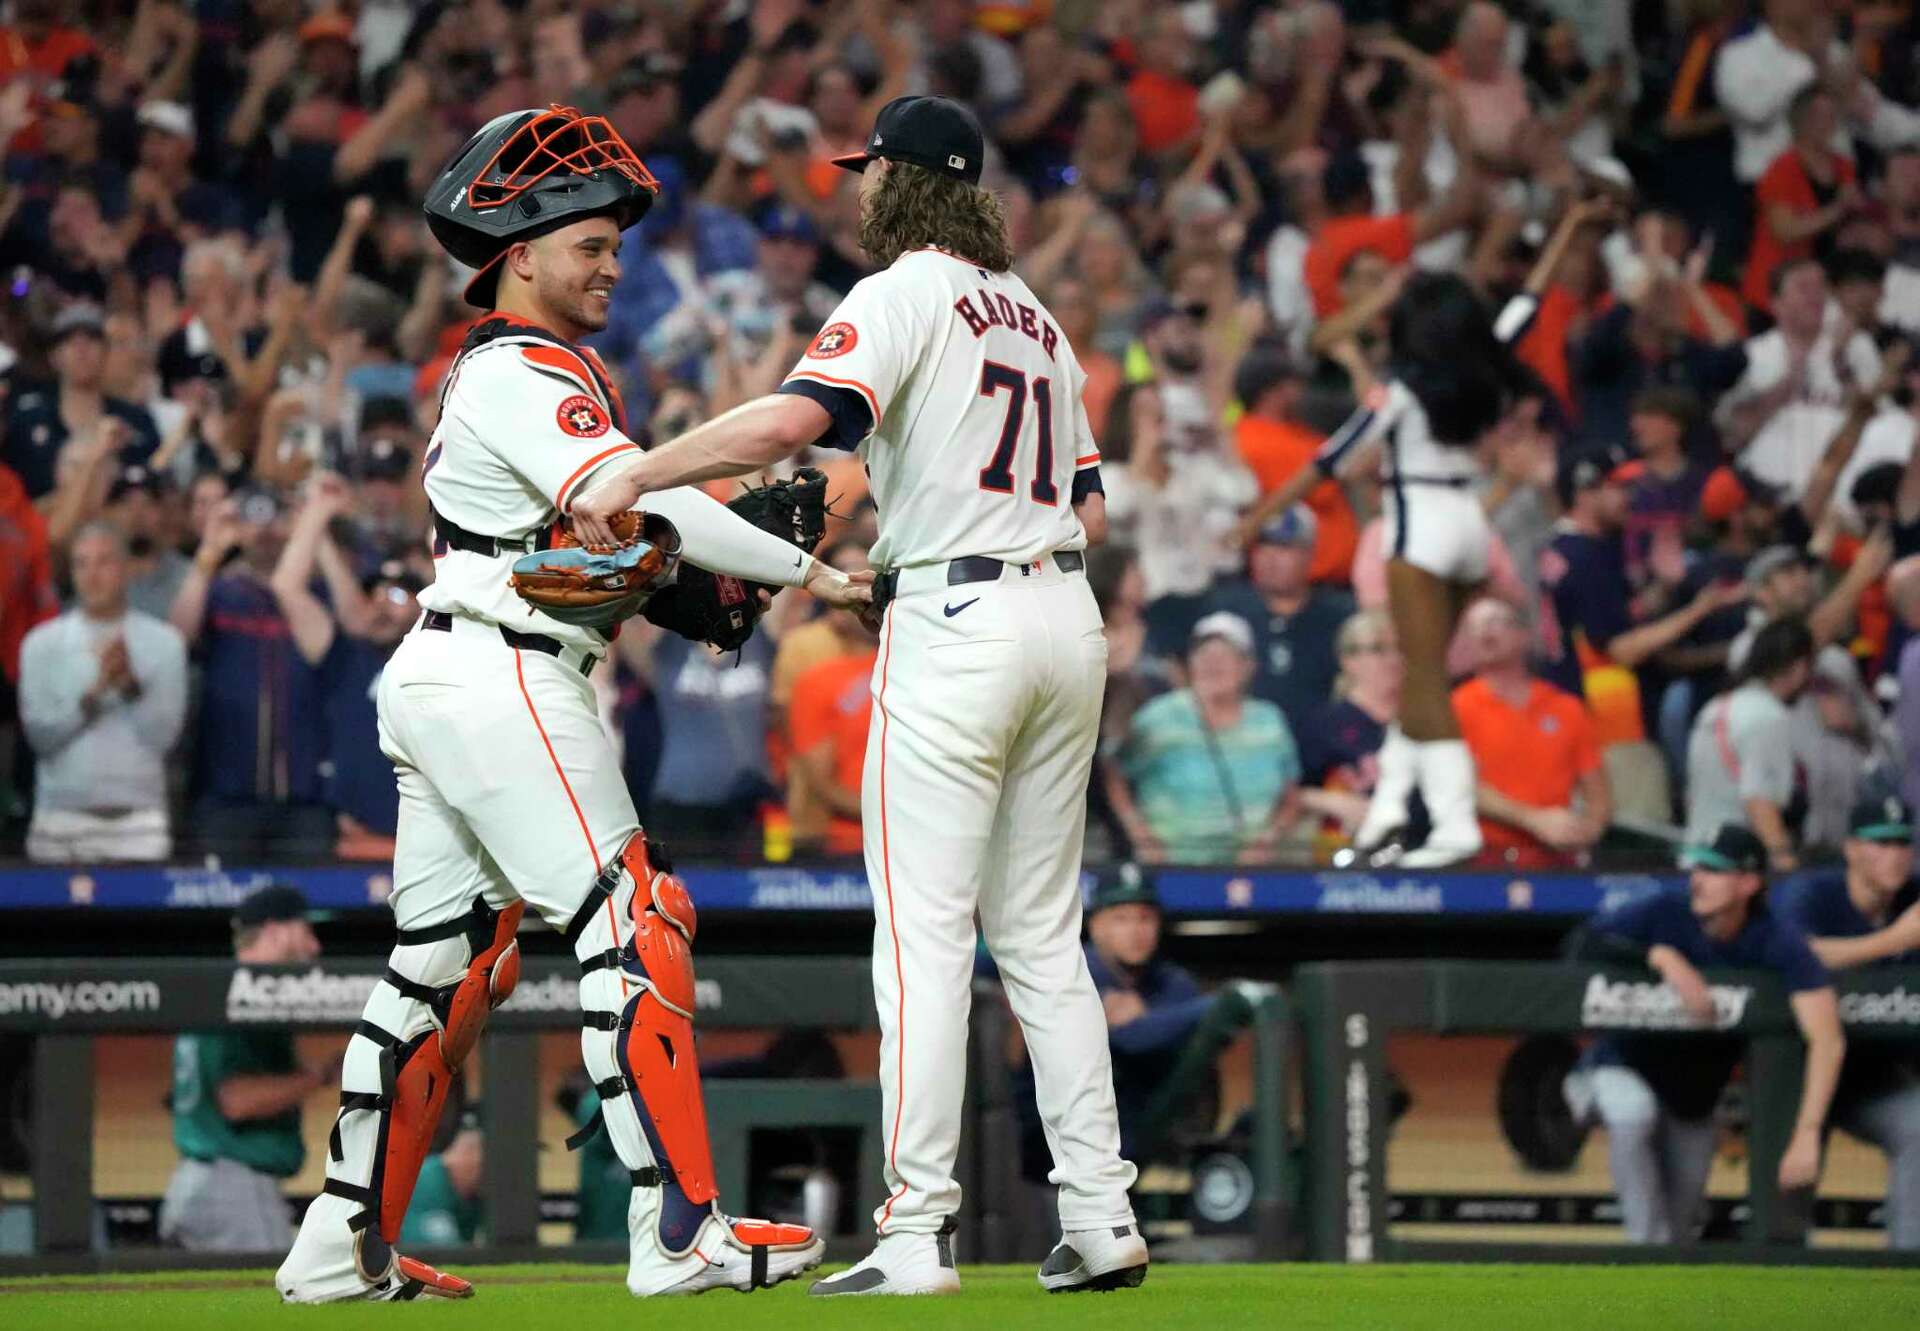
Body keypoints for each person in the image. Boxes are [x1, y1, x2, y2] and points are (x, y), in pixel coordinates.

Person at [276, 105, 866, 1305]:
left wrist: (694, 555)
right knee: (637, 912)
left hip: (461, 668)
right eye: (590, 244)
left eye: (612, 246)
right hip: (504, 674)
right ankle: (679, 1225)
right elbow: (635, 499)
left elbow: (618, 537)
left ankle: (339, 1246)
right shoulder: (517, 364)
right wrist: (805, 567)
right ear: (522, 253)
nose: (610, 264)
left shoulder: (528, 376)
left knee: (445, 968)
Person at [580, 95, 1145, 1296]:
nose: (854, 187)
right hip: (1064, 612)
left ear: (904, 182)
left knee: (923, 939)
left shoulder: (900, 291)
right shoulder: (1038, 318)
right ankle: (1101, 1215)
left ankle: (914, 1231)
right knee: (1043, 939)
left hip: (959, 620)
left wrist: (646, 464)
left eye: (868, 169)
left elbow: (793, 420)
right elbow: (1092, 510)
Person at [1255, 267, 1540, 868]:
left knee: (1427, 681)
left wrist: (1257, 518)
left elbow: (1330, 459)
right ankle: (1386, 811)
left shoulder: (1401, 392)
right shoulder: (1484, 369)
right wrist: (1567, 226)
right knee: (1419, 680)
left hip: (1420, 529)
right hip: (1471, 523)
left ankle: (1455, 824)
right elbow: (1522, 309)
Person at [1562, 824, 1845, 1245]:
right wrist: (1660, 956)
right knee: (1633, 1115)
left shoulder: (1771, 938)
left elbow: (1827, 1036)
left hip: (1692, 1101)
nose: (1698, 878)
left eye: (1714, 870)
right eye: (1698, 867)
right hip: (1618, 1067)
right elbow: (1582, 942)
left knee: (1680, 1233)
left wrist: (1807, 1134)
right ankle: (1642, 1250)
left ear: (1748, 883)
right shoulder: (1665, 911)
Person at [1773, 794, 1920, 1249]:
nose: (1894, 854)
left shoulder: (1912, 898)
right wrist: (1892, 940)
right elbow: (1791, 954)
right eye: (1880, 842)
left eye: (1902, 843)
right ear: (1852, 848)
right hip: (1792, 1074)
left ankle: (1907, 1271)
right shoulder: (1812, 893)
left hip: (1872, 1079)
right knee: (1786, 1193)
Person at [160, 886, 330, 1252]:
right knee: (277, 1300)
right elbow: (237, 1100)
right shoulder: (239, 996)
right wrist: (317, 1078)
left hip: (199, 1181)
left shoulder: (219, 989)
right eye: (306, 932)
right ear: (275, 931)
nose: (314, 947)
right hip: (232, 1187)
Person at [17, 521, 186, 861]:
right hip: (59, 821)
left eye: (104, 562)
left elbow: (163, 738)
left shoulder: (164, 643)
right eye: (82, 563)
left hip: (140, 823)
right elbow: (40, 737)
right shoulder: (41, 644)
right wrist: (93, 694)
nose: (92, 575)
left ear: (126, 569)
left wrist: (128, 687)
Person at [1114, 611, 1303, 865]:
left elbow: (1291, 796)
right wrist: (1139, 833)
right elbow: (1113, 769)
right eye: (1204, 655)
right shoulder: (1158, 717)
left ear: (1248, 667)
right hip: (1172, 863)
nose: (1212, 664)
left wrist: (1270, 839)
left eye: (1225, 656)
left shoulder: (1269, 720)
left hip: (1250, 869)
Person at [1452, 599, 1610, 869]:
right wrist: (1534, 820)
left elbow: (1598, 793)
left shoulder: (1566, 708)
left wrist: (1586, 833)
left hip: (1557, 859)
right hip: (1482, 861)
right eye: (1473, 627)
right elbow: (1459, 785)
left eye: (1495, 622)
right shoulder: (1453, 708)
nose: (1484, 632)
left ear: (1524, 635)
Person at [1203, 506, 1354, 734]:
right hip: (1242, 744)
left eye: (1283, 548)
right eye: (1262, 547)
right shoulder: (1227, 610)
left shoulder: (1338, 615)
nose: (1270, 558)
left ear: (1309, 554)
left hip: (1324, 748)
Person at [1685, 617, 1816, 870]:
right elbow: (1759, 800)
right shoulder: (1769, 716)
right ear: (1800, 667)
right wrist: (1787, 867)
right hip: (1735, 867)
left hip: (1697, 861)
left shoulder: (1712, 708)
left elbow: (1691, 797)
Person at [397, 1109, 485, 1248]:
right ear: (468, 1155)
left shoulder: (468, 1196)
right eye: (482, 1165)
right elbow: (432, 1253)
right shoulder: (426, 1182)